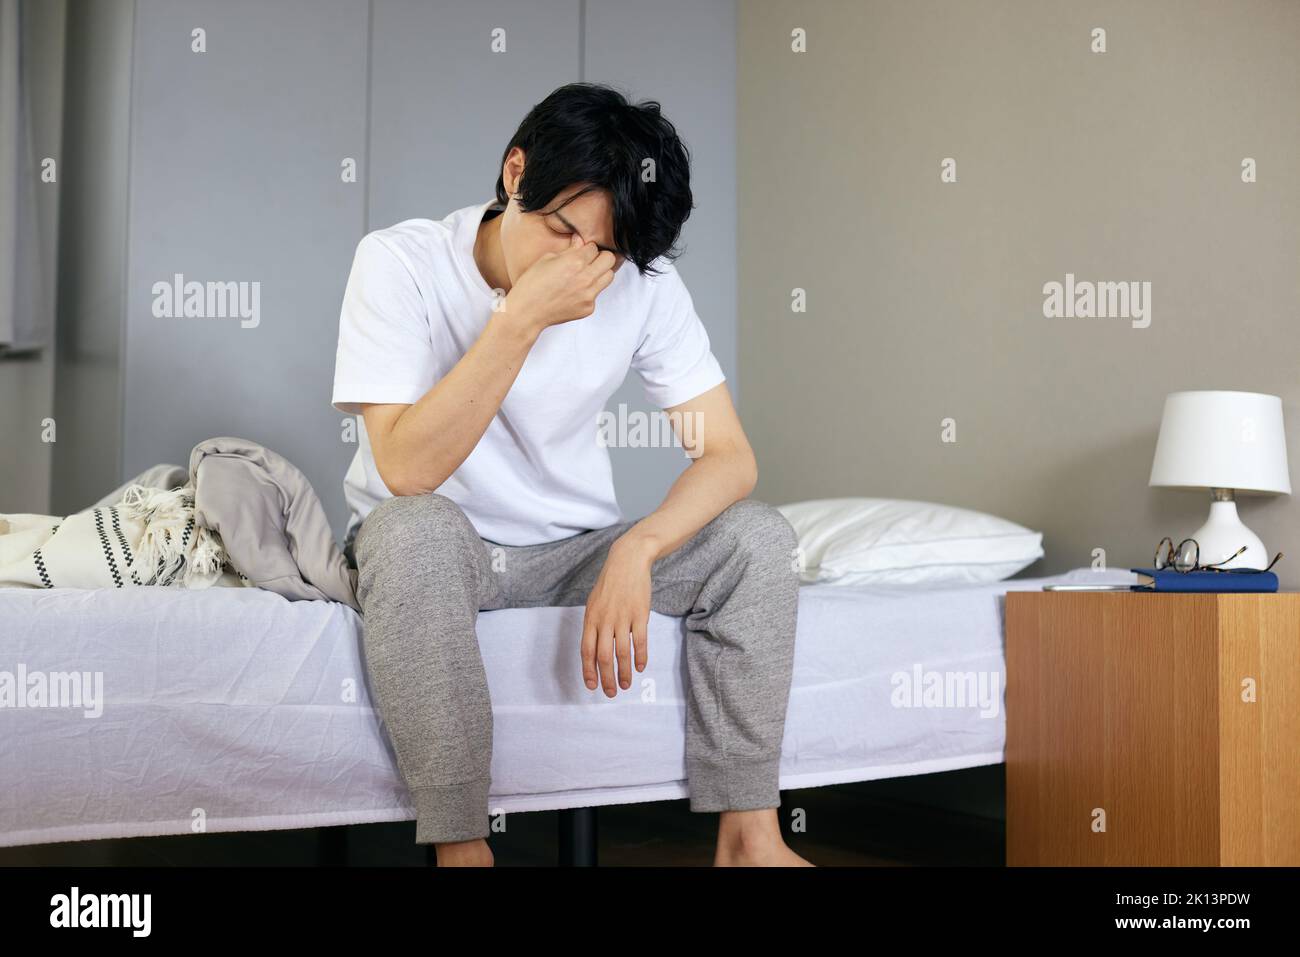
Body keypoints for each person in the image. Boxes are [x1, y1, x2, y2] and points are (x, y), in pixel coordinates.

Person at [331, 82, 807, 867]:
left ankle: (749, 841)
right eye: (562, 231)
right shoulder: (399, 262)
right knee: (411, 530)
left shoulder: (641, 286)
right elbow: (406, 468)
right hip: (436, 545)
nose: (581, 266)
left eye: (607, 253)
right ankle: (463, 848)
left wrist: (639, 548)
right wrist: (518, 318)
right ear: (515, 173)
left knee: (757, 537)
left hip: (571, 550)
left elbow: (728, 454)